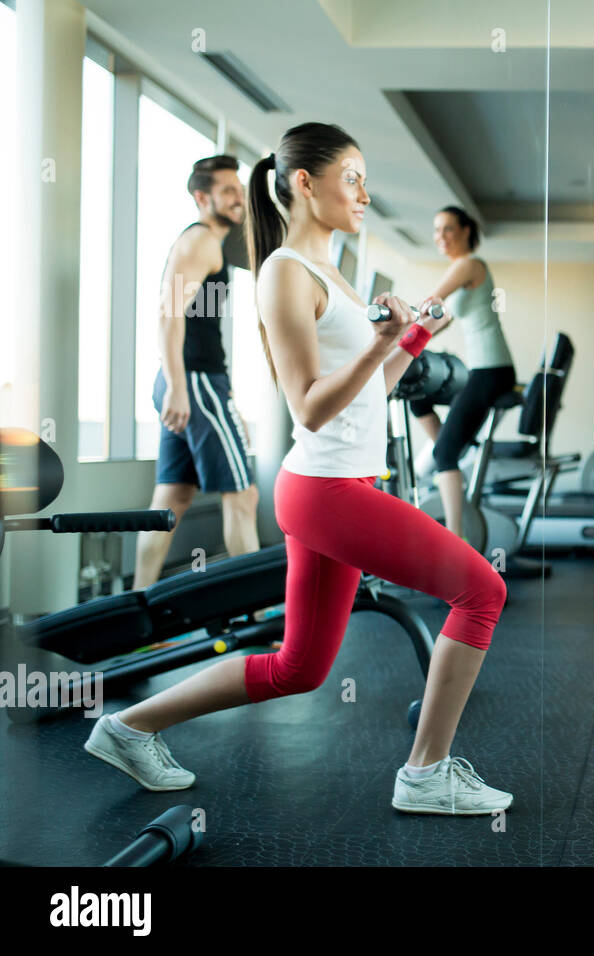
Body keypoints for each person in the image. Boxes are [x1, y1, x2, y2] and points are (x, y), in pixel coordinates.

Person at [85, 123, 512, 815]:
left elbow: (371, 386)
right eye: (352, 176)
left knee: (300, 669)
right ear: (305, 184)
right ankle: (427, 772)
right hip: (326, 491)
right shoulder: (284, 272)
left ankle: (128, 726)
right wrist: (379, 346)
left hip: (338, 487)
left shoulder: (334, 274)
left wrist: (414, 337)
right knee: (481, 592)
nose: (365, 193)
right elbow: (309, 406)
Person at [134, 156, 260, 589]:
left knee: (171, 499)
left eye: (239, 189)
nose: (238, 197)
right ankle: (255, 611)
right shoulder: (202, 241)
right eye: (228, 190)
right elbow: (168, 315)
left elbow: (198, 328)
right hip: (193, 382)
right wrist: (178, 386)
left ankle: (139, 606)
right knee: (244, 496)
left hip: (194, 383)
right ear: (201, 198)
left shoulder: (212, 244)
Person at [407, 208, 516, 541]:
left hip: (491, 371)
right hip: (485, 370)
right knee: (419, 398)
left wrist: (399, 339)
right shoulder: (465, 269)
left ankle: (455, 540)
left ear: (467, 230)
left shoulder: (469, 264)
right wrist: (409, 345)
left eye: (448, 229)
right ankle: (452, 459)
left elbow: (431, 303)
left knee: (443, 454)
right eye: (436, 230)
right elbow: (441, 319)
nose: (440, 236)